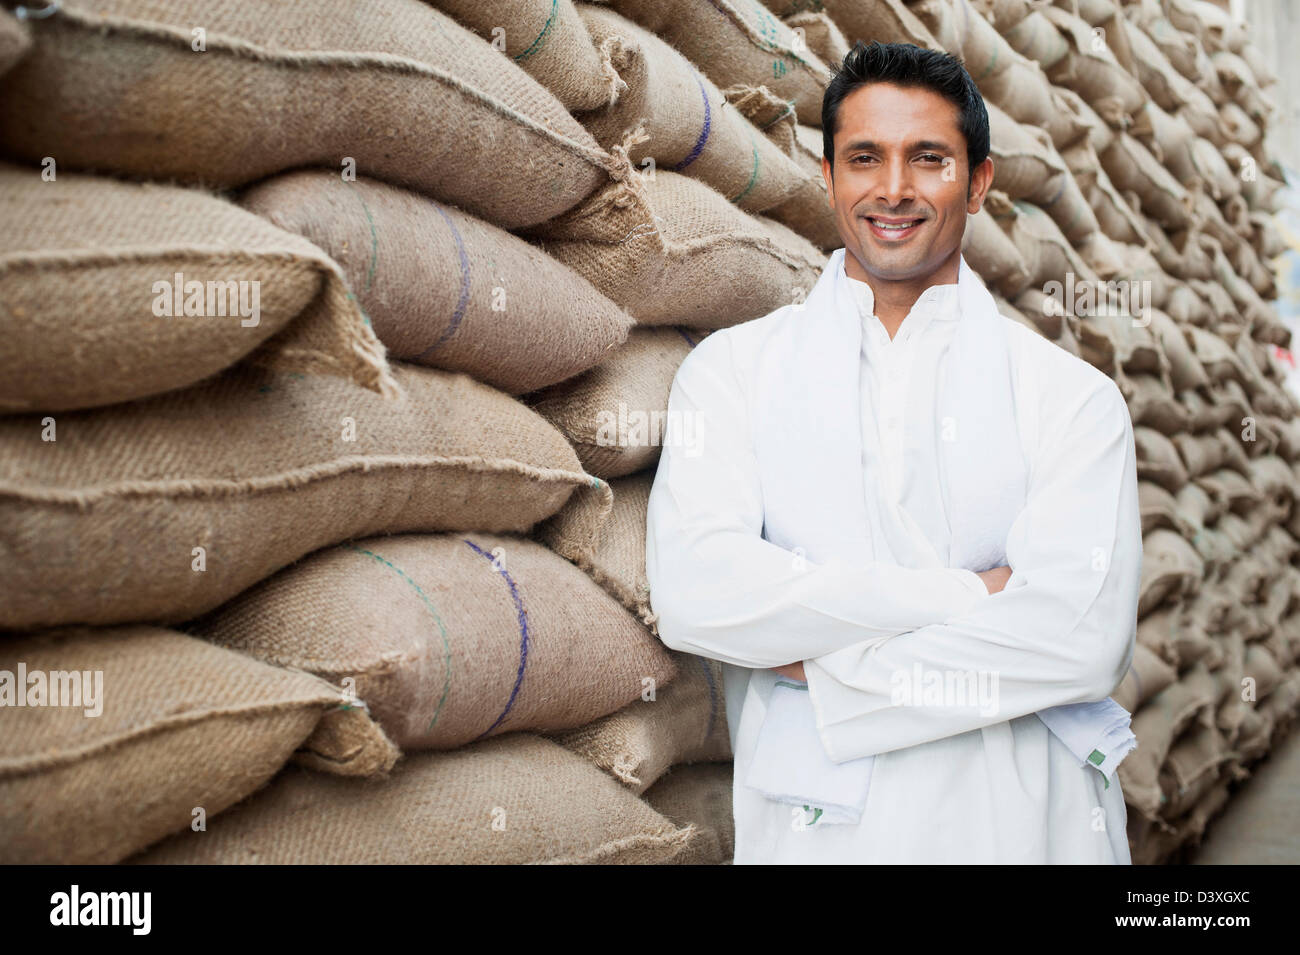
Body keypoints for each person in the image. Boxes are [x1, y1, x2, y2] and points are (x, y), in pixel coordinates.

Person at [644, 40, 1142, 863]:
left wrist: (827, 669)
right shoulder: (733, 374)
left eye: (930, 158)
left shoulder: (1070, 398)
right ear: (830, 175)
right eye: (865, 158)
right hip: (823, 840)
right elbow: (699, 593)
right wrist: (971, 595)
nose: (894, 189)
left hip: (1031, 832)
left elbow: (1082, 639)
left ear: (979, 182)